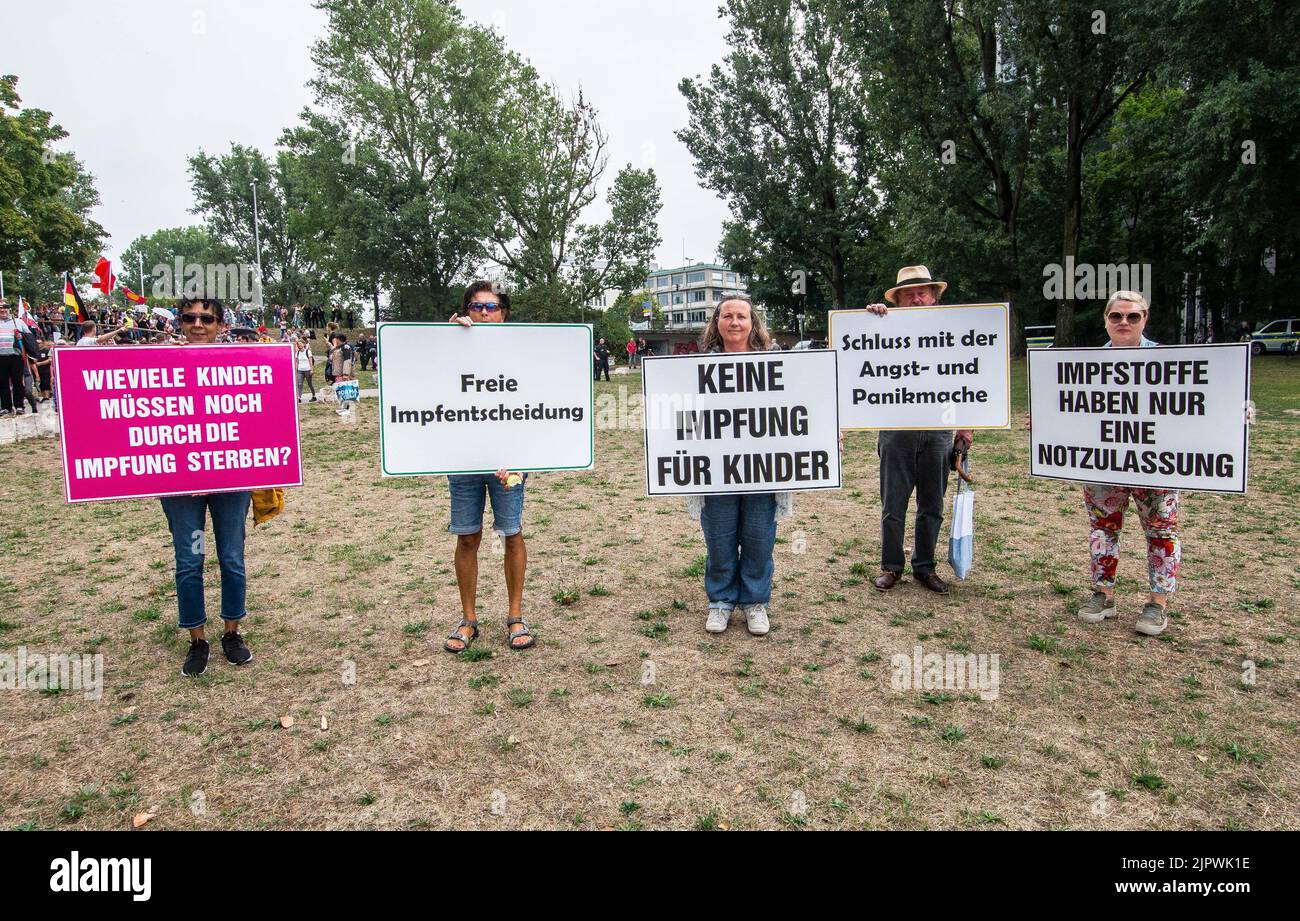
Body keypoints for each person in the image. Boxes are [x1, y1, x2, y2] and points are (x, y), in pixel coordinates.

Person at [861, 266, 973, 595]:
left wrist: (965, 426)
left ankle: (924, 567)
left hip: (938, 433)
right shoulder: (882, 327)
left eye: (923, 292)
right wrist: (869, 319)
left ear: (934, 297)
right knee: (892, 505)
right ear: (897, 301)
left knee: (932, 506)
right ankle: (891, 567)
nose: (917, 298)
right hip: (896, 432)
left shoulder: (956, 333)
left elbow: (968, 378)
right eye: (908, 294)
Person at [159, 297, 255, 676]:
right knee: (190, 560)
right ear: (180, 323)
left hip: (230, 482)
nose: (198, 324)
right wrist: (187, 470)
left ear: (221, 325)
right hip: (181, 486)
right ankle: (197, 639)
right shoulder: (159, 364)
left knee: (231, 556)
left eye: (206, 318)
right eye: (189, 317)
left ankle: (232, 630)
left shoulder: (240, 365)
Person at [1076, 290, 1178, 636]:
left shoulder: (1168, 361)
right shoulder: (1086, 365)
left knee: (1161, 532)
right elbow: (1070, 407)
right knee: (1103, 531)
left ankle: (1158, 603)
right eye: (1116, 316)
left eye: (1132, 316)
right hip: (1102, 466)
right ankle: (1103, 595)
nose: (1123, 322)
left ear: (1144, 319)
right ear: (1105, 320)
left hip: (1155, 465)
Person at [442, 281, 536, 653]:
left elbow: (539, 402)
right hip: (463, 460)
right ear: (467, 310)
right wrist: (445, 341)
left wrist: (523, 455)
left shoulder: (521, 351)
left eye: (491, 307)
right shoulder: (450, 345)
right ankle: (469, 620)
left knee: (511, 533)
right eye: (476, 307)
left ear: (504, 312)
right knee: (467, 536)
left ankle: (515, 616)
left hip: (510, 461)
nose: (483, 313)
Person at [690, 295, 789, 636]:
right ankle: (720, 602)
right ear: (716, 323)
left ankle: (754, 602)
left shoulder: (774, 363)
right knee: (719, 539)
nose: (734, 322)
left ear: (753, 323)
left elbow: (802, 403)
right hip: (716, 471)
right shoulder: (697, 368)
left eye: (741, 316)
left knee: (759, 537)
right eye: (727, 316)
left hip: (763, 469)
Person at [0, 299, 26, 416]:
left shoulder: (18, 322)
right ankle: (6, 407)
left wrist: (22, 336)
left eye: (5, 307)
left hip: (15, 355)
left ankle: (19, 405)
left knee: (17, 381)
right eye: (0, 308)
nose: (3, 310)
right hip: (1, 356)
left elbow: (31, 335)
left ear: (9, 309)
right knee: (2, 382)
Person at [328, 333, 355, 414]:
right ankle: (343, 408)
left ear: (339, 339)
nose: (334, 340)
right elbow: (330, 357)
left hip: (343, 374)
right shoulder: (337, 348)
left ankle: (347, 409)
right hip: (337, 373)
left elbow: (347, 361)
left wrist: (346, 374)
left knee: (345, 392)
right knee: (340, 392)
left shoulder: (345, 347)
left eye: (335, 339)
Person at [294, 336, 317, 403]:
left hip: (307, 369)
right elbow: (297, 362)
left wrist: (311, 370)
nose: (299, 345)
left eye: (301, 344)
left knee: (309, 383)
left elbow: (310, 361)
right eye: (298, 344)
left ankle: (314, 396)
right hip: (300, 370)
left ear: (304, 344)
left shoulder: (308, 352)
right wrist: (296, 370)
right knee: (299, 384)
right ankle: (299, 397)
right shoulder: (297, 353)